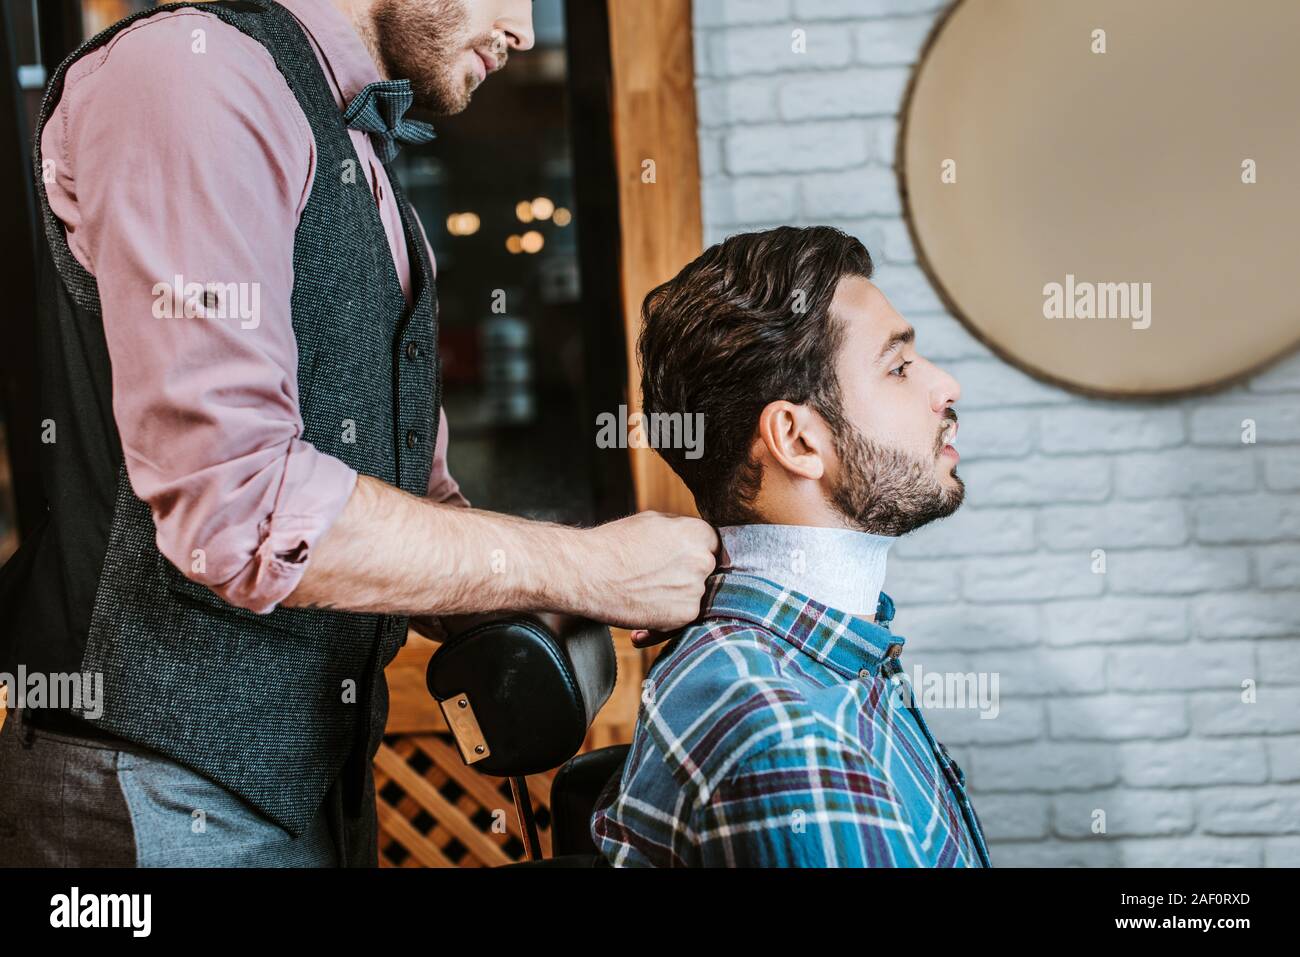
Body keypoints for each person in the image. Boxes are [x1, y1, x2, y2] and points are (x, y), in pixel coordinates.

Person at [0, 0, 716, 867]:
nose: (526, 30)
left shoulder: (353, 146)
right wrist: (593, 564)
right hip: (155, 788)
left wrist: (558, 590)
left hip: (315, 783)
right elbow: (244, 507)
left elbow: (407, 492)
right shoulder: (190, 74)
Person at [591, 226, 993, 867]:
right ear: (798, 440)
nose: (947, 388)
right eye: (898, 368)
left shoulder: (826, 657)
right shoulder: (794, 742)